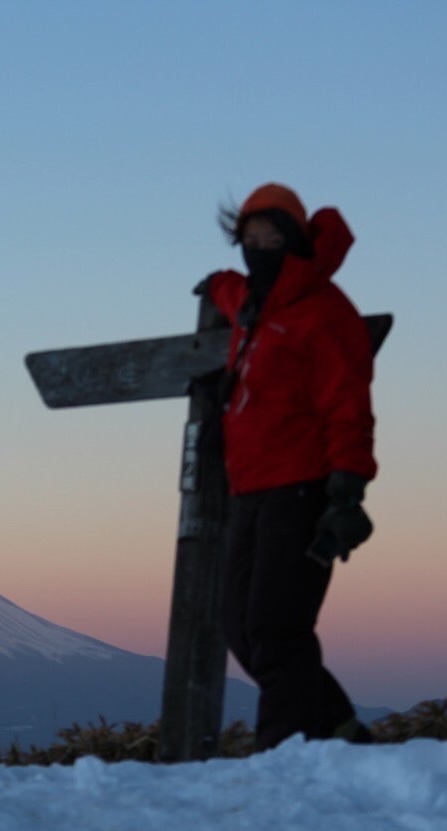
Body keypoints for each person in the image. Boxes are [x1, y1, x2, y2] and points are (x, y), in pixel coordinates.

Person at [196, 183, 377, 750]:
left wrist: (346, 490)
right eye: (250, 238)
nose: (261, 247)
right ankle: (341, 728)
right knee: (243, 633)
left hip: (302, 488)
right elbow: (240, 295)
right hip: (248, 491)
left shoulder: (324, 312)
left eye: (273, 237)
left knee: (276, 628)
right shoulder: (254, 304)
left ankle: (282, 754)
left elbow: (349, 404)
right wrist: (220, 287)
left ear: (296, 240)